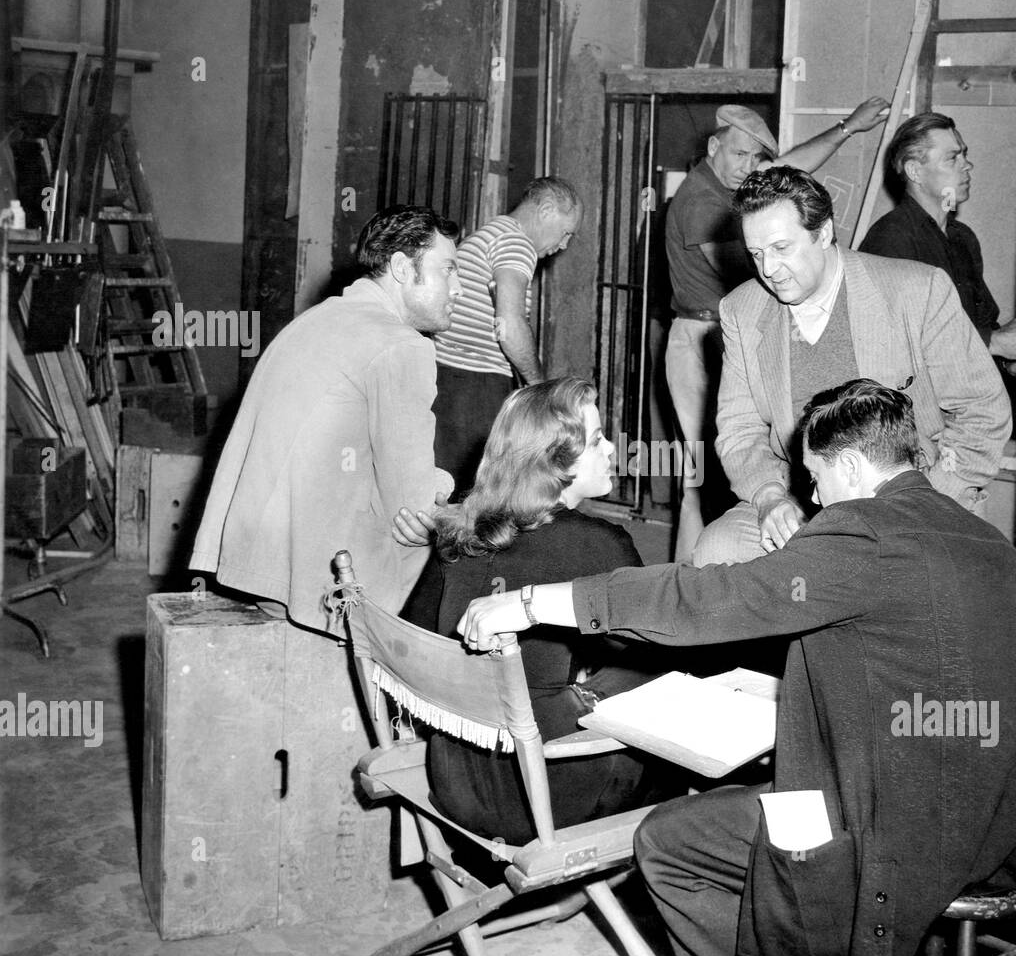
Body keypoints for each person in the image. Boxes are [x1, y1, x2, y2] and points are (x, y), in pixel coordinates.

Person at [456, 378, 1016, 956]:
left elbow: (710, 595)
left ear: (852, 468)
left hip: (915, 843)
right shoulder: (982, 537)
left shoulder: (862, 532)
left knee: (670, 843)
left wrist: (534, 603)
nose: (814, 499)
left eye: (816, 477)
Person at [400, 377, 682, 845]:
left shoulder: (457, 536)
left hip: (455, 783)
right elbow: (655, 661)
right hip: (551, 798)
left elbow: (414, 644)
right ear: (555, 464)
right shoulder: (599, 544)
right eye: (596, 441)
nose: (612, 448)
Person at [695, 165, 1011, 567]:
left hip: (916, 497)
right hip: (799, 500)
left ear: (823, 233)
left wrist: (925, 498)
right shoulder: (742, 309)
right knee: (717, 552)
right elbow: (739, 431)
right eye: (756, 254)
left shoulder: (917, 291)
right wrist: (769, 497)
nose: (768, 270)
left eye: (781, 248)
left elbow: (984, 410)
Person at [190, 205, 460, 633]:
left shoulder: (311, 321)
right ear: (402, 268)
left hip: (251, 559)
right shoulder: (403, 346)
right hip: (318, 578)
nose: (458, 287)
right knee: (456, 552)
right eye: (448, 269)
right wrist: (447, 488)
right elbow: (410, 503)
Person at [664, 99, 891, 561]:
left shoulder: (729, 191)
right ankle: (689, 584)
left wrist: (846, 128)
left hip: (731, 337)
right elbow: (755, 279)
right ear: (713, 147)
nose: (747, 167)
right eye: (739, 155)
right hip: (701, 337)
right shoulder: (701, 202)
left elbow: (783, 175)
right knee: (700, 474)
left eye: (755, 159)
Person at [860, 113, 1016, 384]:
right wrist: (997, 342)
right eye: (952, 158)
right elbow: (898, 339)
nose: (967, 165)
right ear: (915, 171)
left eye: (964, 155)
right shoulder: (891, 239)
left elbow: (977, 323)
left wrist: (1005, 358)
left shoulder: (962, 238)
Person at [432, 177, 584, 493]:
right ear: (545, 209)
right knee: (476, 498)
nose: (564, 245)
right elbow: (509, 325)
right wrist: (538, 388)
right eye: (566, 232)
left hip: (446, 378)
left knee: (445, 488)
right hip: (476, 385)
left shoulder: (488, 233)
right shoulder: (517, 243)